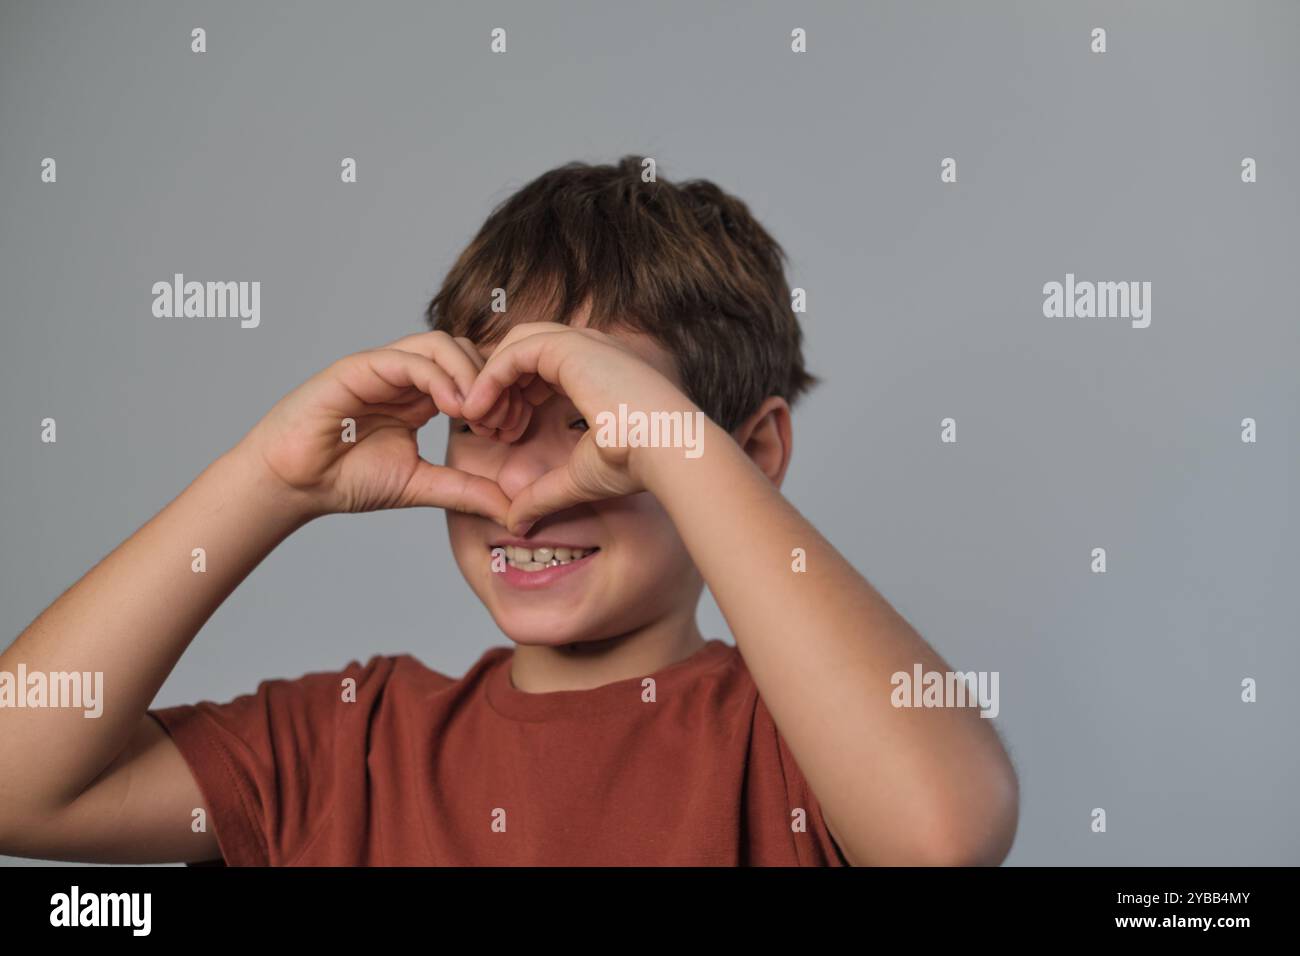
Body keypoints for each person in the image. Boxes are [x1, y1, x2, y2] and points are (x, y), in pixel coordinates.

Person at [0, 157, 1018, 866]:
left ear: (746, 452)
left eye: (590, 421)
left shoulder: (803, 742)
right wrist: (267, 480)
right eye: (489, 420)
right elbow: (18, 783)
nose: (528, 485)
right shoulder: (345, 749)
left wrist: (681, 451)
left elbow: (941, 832)